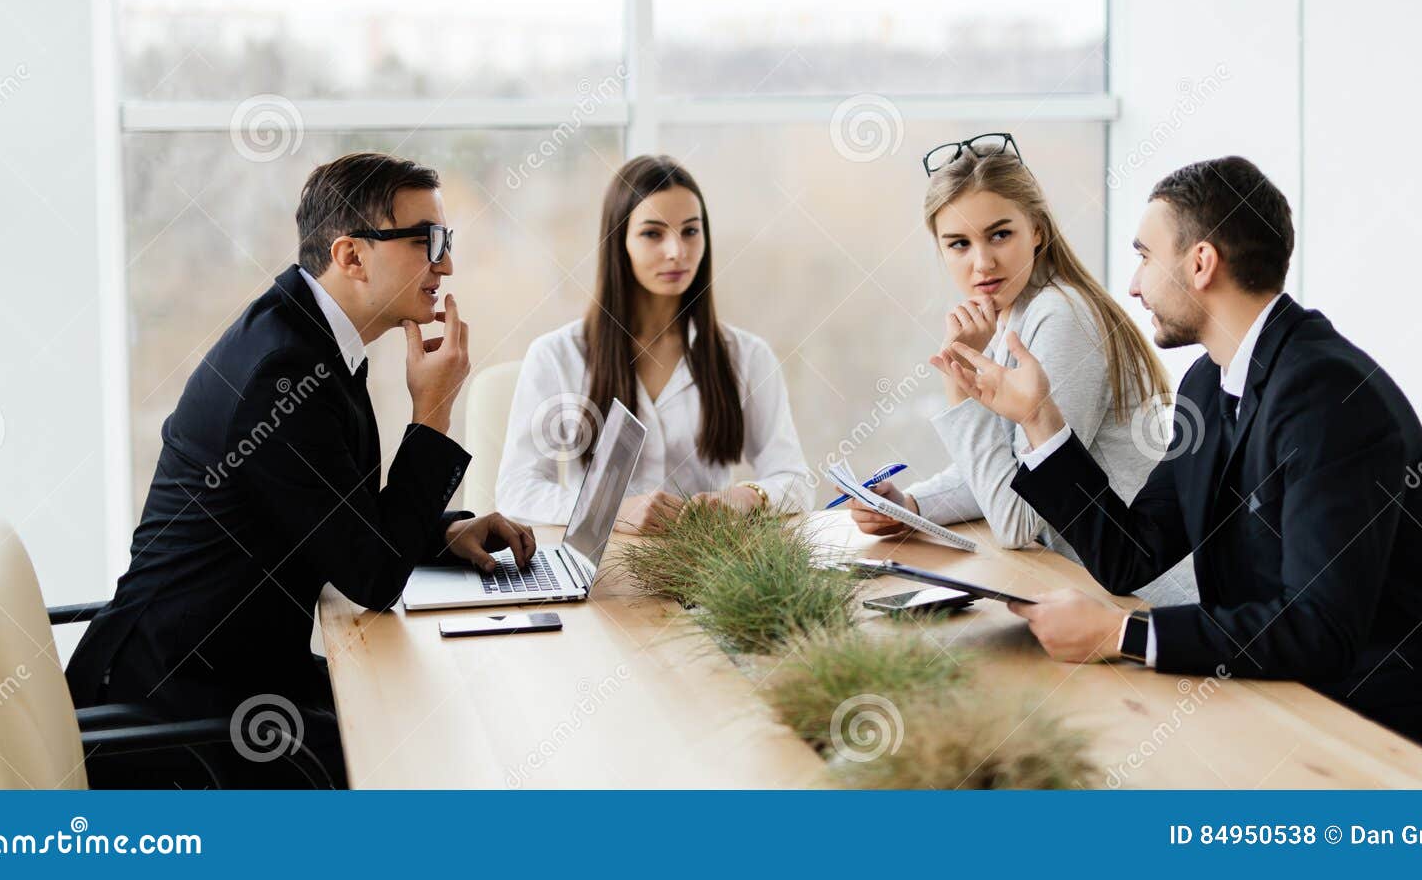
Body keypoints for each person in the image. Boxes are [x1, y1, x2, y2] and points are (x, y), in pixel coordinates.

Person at [938, 155, 1422, 760]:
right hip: (1296, 699)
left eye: (1143, 257)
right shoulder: (1208, 386)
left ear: (1201, 263)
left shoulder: (1330, 399)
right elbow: (1129, 553)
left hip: (1418, 730)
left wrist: (1122, 634)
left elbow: (1322, 630)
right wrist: (1039, 417)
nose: (1133, 285)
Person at [67, 152, 535, 786]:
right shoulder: (282, 371)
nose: (446, 264)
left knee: (437, 722)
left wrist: (440, 531)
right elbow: (371, 578)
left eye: (445, 240)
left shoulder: (308, 337)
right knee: (429, 755)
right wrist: (433, 413)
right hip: (177, 709)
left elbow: (338, 520)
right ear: (350, 256)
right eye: (428, 241)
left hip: (234, 675)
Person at [848, 134, 1196, 605]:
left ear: (1036, 229)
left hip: (1141, 605)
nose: (982, 262)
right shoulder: (1016, 312)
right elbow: (1014, 472)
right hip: (1081, 587)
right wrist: (912, 507)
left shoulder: (1061, 316)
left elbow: (1016, 521)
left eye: (999, 234)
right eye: (958, 244)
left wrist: (958, 387)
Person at [497, 155, 810, 530]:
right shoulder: (556, 355)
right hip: (602, 572)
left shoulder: (746, 355)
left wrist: (743, 497)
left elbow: (795, 479)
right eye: (653, 234)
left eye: (690, 231)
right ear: (620, 242)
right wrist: (609, 510)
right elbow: (518, 489)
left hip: (709, 570)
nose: (677, 251)